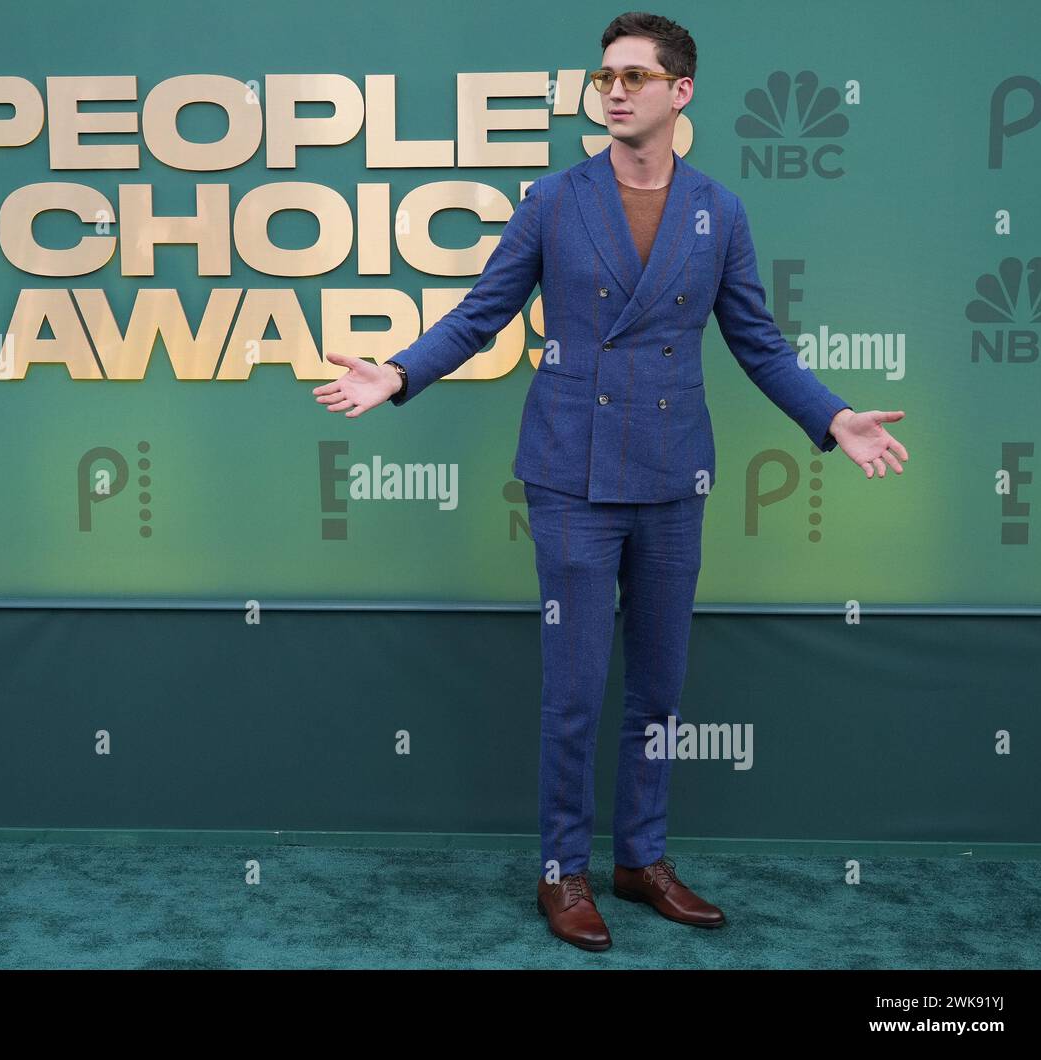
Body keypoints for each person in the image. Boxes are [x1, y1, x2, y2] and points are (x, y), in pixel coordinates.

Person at [312, 12, 908, 951]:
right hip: (570, 476)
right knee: (576, 692)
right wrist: (397, 372)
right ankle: (563, 871)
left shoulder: (719, 211)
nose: (616, 91)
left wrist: (832, 417)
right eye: (606, 78)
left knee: (659, 691)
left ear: (681, 92)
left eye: (636, 76)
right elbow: (480, 314)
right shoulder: (554, 200)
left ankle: (642, 860)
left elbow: (757, 341)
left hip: (672, 476)